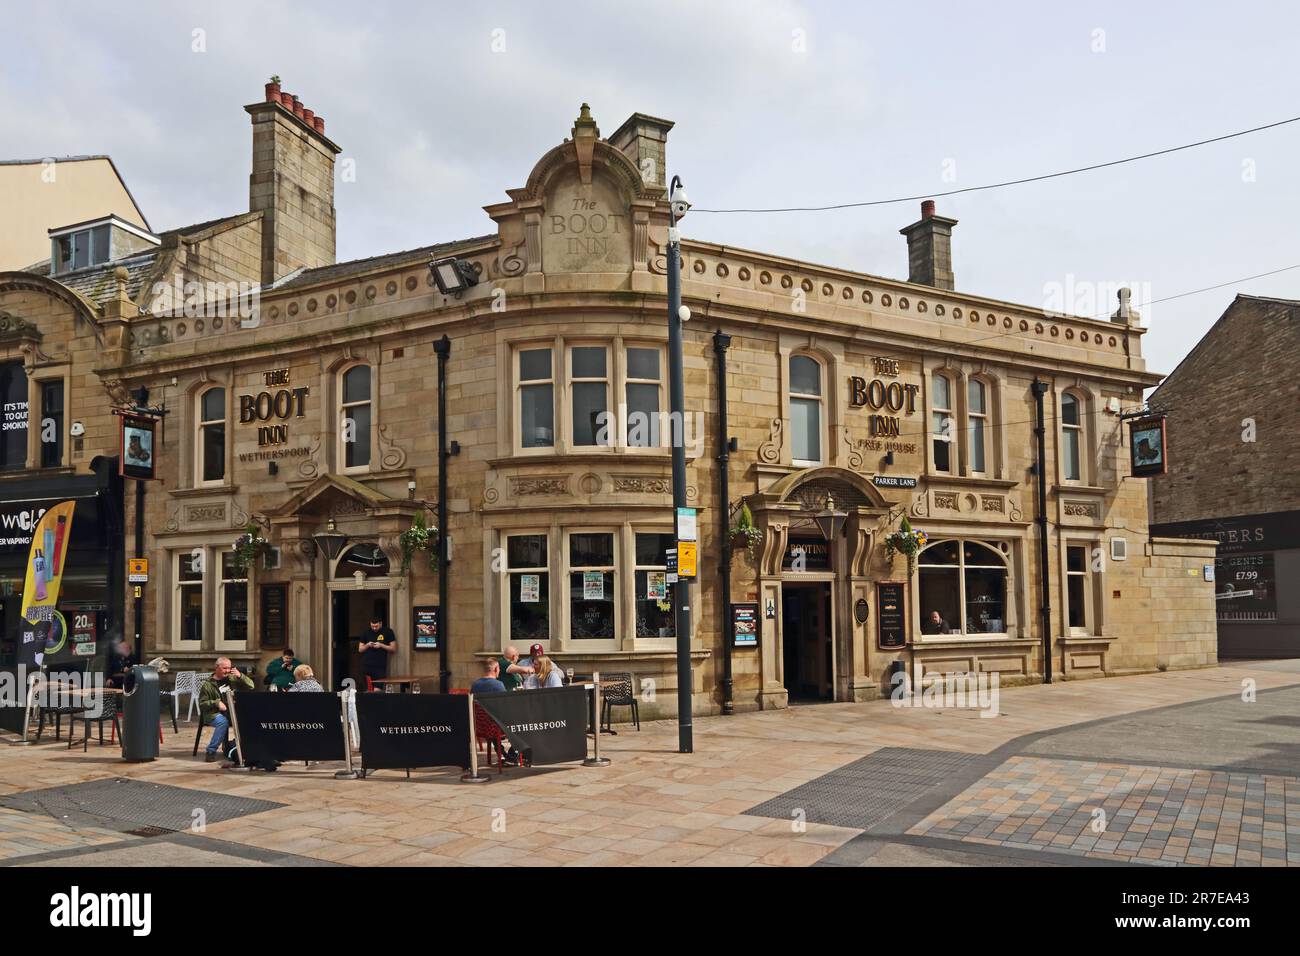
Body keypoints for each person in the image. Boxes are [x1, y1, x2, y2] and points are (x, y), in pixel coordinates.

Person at [198, 658, 254, 763]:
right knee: (223, 722)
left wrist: (240, 676)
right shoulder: (208, 685)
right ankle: (211, 751)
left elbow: (251, 686)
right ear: (216, 668)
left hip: (232, 711)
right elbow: (202, 704)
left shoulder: (232, 679)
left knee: (250, 718)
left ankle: (238, 747)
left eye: (229, 668)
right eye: (225, 668)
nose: (227, 670)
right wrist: (216, 703)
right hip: (213, 713)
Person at [359, 616, 397, 685]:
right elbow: (360, 649)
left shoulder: (388, 632)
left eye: (376, 626)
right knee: (368, 689)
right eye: (372, 626)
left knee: (378, 689)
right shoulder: (366, 632)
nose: (374, 628)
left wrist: (381, 645)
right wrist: (367, 645)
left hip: (380, 666)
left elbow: (393, 648)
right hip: (367, 665)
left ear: (381, 624)